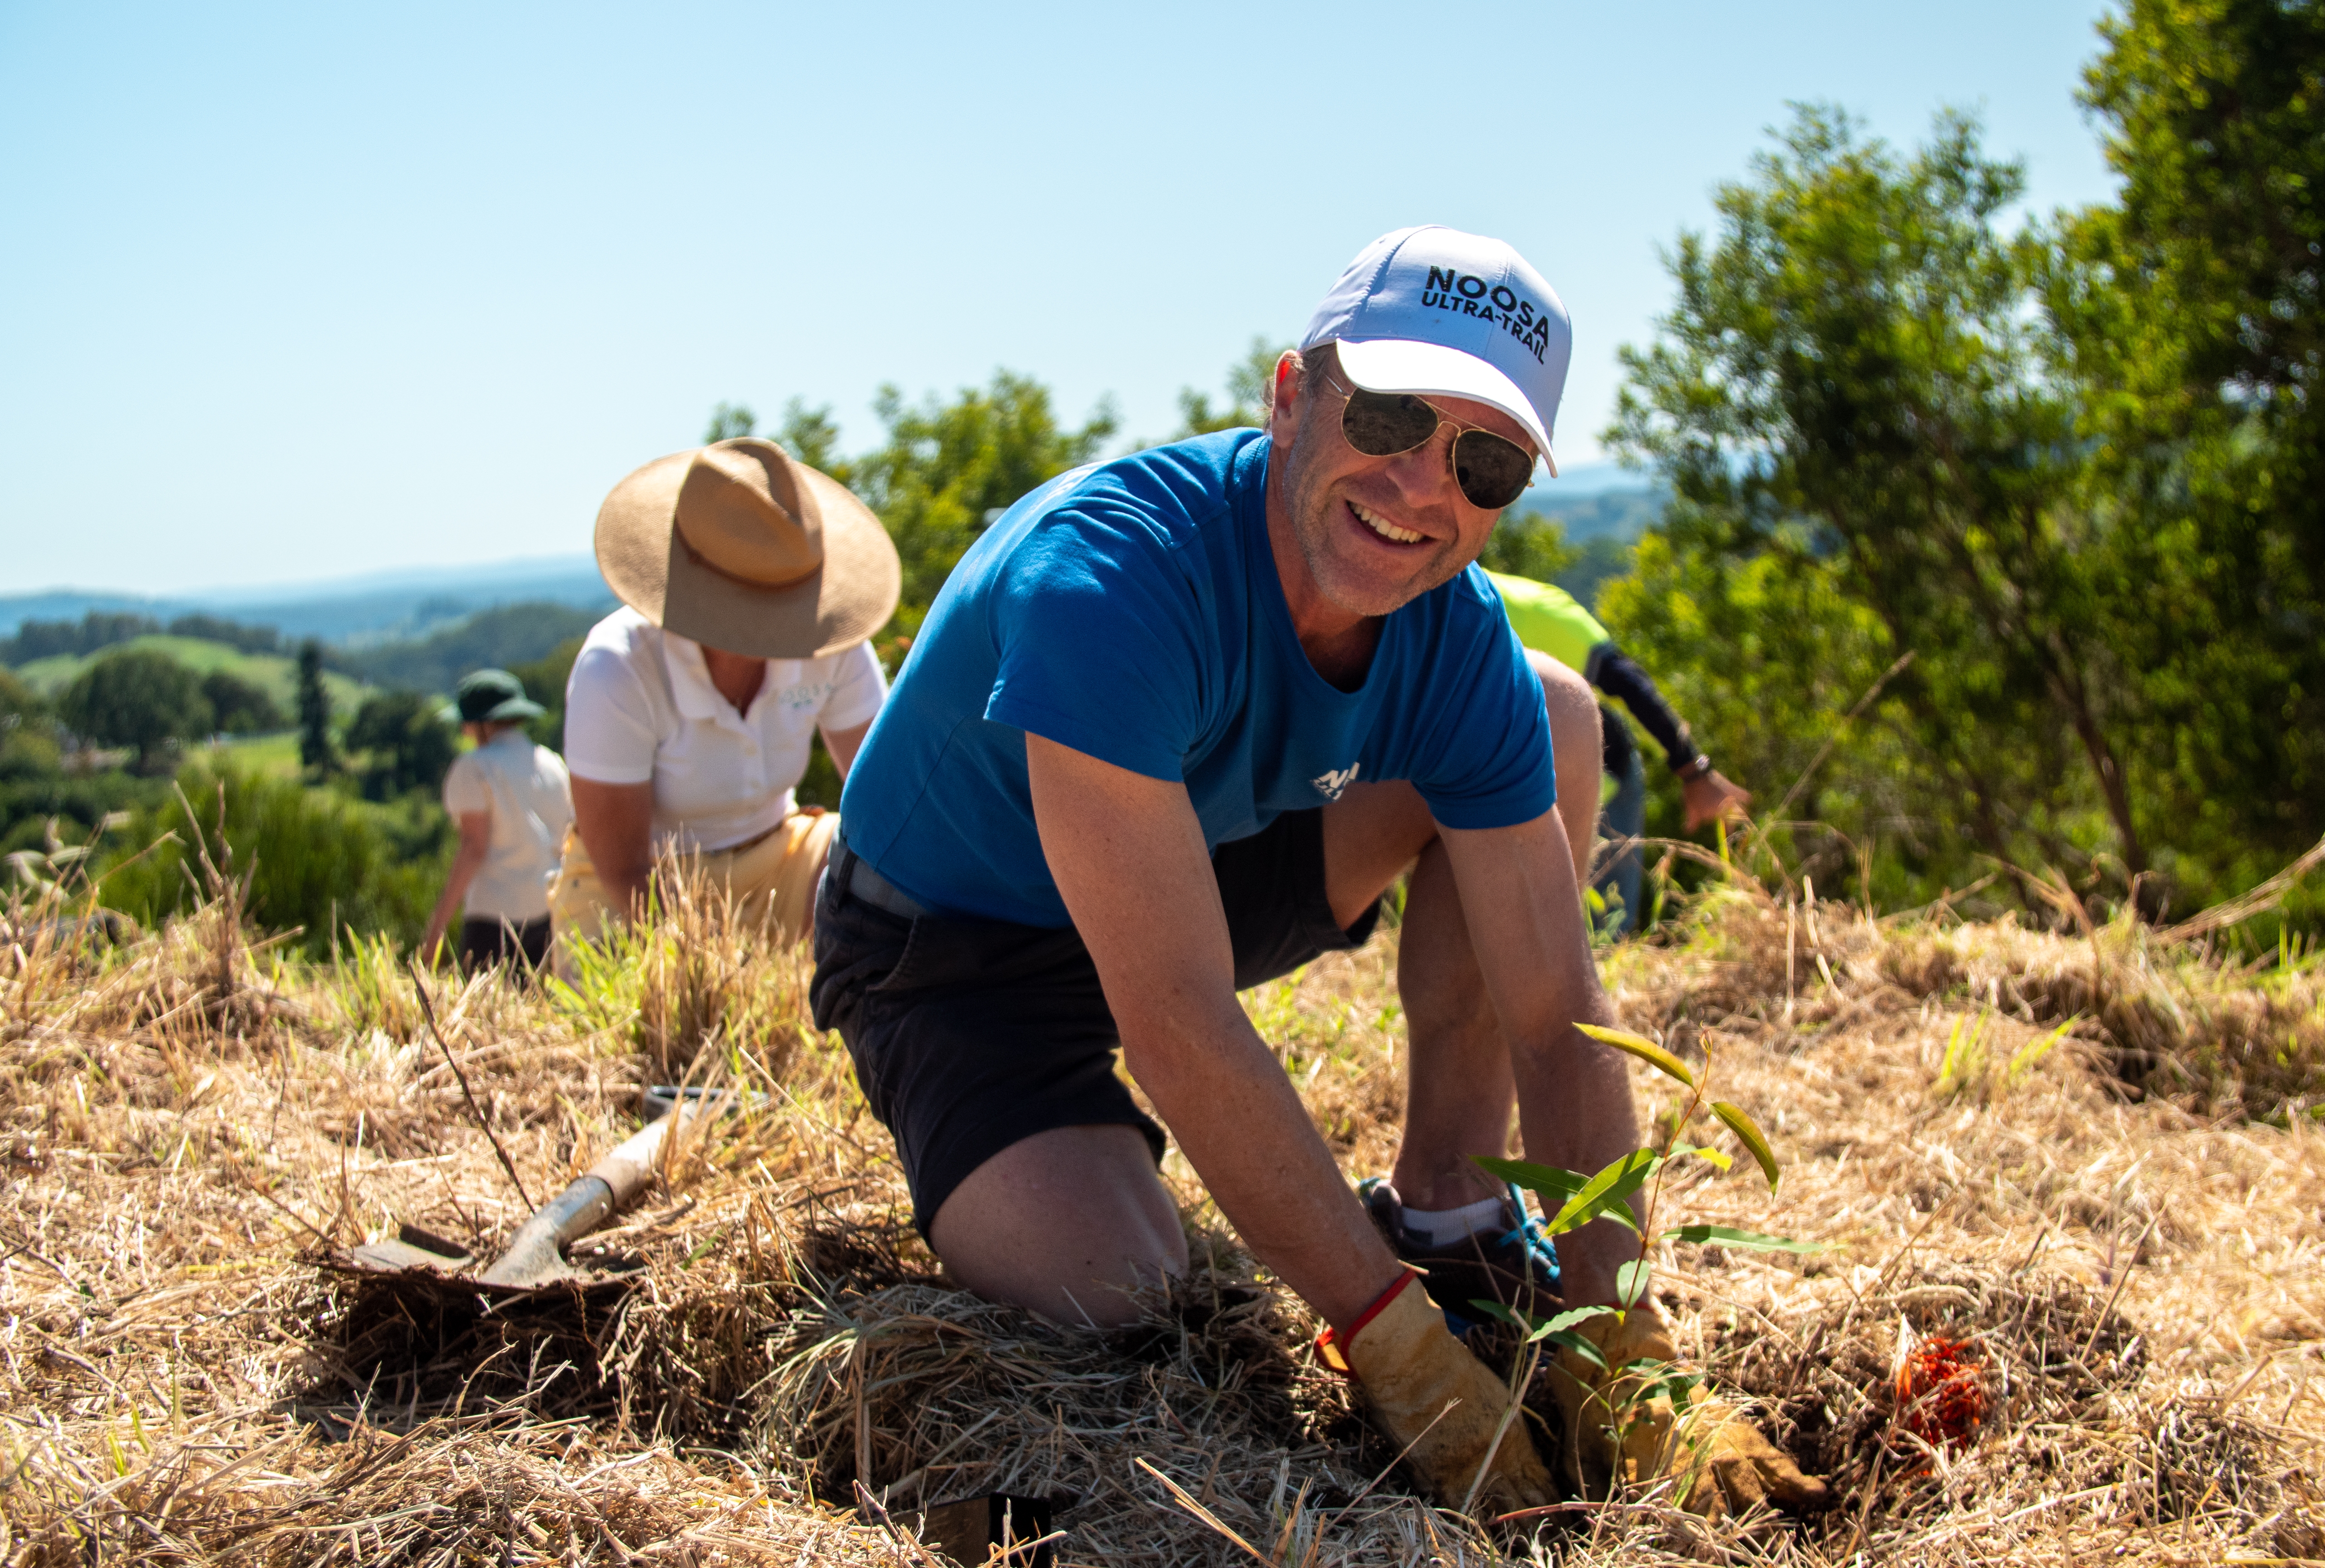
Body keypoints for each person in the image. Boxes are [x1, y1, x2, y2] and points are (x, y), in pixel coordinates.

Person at [814, 227, 1821, 1518]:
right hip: (957, 944)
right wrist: (1395, 1343)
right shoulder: (1110, 575)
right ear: (1292, 397)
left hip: (1192, 856)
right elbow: (1176, 1021)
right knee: (1119, 1289)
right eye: (1390, 415)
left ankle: (1448, 1206)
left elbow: (1557, 1022)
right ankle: (1354, 1263)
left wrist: (1625, 1341)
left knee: (1554, 712)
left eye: (1484, 461)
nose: (1419, 486)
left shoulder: (1454, 638)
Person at [549, 436, 899, 951]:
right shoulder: (617, 667)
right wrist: (713, 964)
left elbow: (890, 797)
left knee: (886, 878)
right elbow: (623, 868)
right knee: (630, 987)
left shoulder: (831, 645)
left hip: (781, 857)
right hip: (642, 882)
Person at [1485, 572, 1752, 934]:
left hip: (1603, 783)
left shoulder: (1528, 606)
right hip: (1501, 786)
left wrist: (1694, 771)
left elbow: (1626, 682)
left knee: (1604, 924)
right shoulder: (1423, 605)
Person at [421, 668, 574, 975]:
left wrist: (437, 927)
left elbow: (473, 848)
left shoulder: (475, 768)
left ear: (482, 723)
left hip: (493, 916)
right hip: (551, 911)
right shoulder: (553, 765)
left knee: (488, 1002)